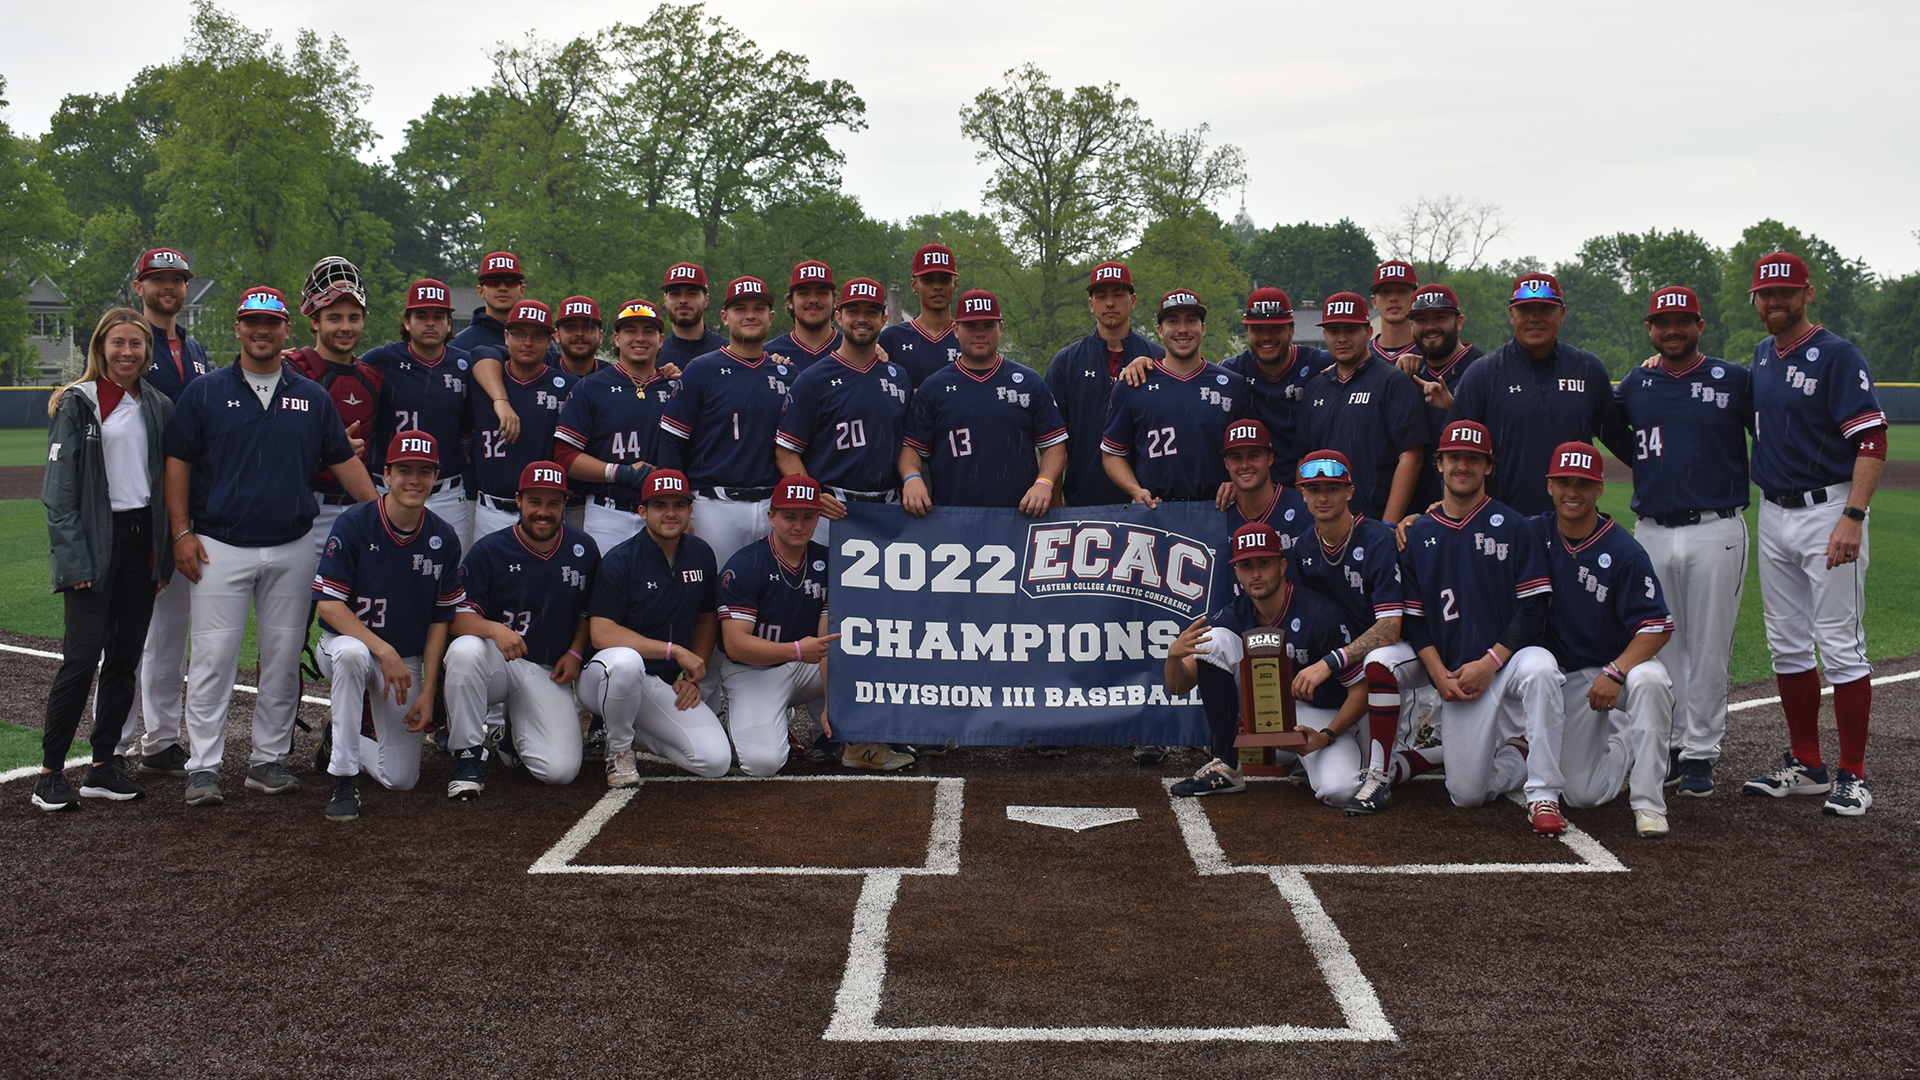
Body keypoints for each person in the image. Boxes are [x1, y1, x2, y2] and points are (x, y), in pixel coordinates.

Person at [165, 286, 376, 807]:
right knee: (214, 658)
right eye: (252, 322)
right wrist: (180, 532)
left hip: (292, 544)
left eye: (272, 323)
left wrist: (379, 515)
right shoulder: (206, 391)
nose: (262, 331)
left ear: (287, 330)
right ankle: (204, 765)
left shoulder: (310, 394)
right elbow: (178, 463)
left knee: (282, 659)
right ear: (237, 327)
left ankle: (268, 761)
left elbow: (343, 461)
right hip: (219, 544)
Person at [1738, 252, 1887, 817]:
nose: (1776, 303)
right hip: (1774, 513)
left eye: (1787, 293)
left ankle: (1853, 774)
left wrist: (1854, 514)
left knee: (1842, 646)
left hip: (1829, 510)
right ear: (1755, 298)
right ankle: (1807, 763)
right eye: (1766, 294)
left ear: (1807, 293)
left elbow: (1871, 441)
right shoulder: (1762, 354)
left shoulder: (1838, 354)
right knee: (1787, 642)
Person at [1392, 420, 1567, 835]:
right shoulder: (1420, 534)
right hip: (1458, 673)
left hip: (1511, 659)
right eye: (1455, 458)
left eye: (1474, 459)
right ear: (1440, 464)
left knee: (1543, 669)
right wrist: (1437, 674)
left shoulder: (1514, 526)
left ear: (1489, 466)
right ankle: (1518, 757)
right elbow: (1415, 620)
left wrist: (1491, 661)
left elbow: (1533, 608)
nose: (1463, 466)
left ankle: (1544, 794)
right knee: (1467, 794)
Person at [33, 310, 175, 810]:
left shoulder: (157, 404)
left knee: (125, 658)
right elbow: (60, 494)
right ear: (101, 346)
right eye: (118, 343)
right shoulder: (79, 402)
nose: (127, 352)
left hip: (141, 544)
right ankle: (50, 772)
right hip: (96, 543)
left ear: (147, 351)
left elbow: (162, 486)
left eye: (136, 344)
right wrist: (75, 561)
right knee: (81, 655)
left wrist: (162, 554)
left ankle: (102, 765)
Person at [1613, 286, 1750, 798]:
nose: (1672, 330)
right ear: (1650, 328)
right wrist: (1647, 463)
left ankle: (1701, 753)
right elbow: (1612, 426)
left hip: (1716, 525)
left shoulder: (1732, 379)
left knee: (1710, 644)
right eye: (1662, 322)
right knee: (1658, 640)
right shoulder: (1638, 381)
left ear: (1699, 325)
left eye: (1682, 321)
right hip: (1651, 528)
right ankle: (1668, 744)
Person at [311, 432, 463, 821]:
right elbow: (328, 607)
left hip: (403, 661)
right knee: (351, 654)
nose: (414, 480)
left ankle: (341, 737)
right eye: (405, 471)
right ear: (386, 474)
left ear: (435, 477)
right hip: (346, 647)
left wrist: (429, 691)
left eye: (424, 472)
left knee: (401, 779)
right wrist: (385, 650)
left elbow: (439, 619)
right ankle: (344, 778)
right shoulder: (355, 524)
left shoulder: (443, 537)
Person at [1162, 523, 1366, 802]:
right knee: (1213, 640)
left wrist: (1327, 735)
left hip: (1323, 717)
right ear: (1237, 573)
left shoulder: (1321, 614)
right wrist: (1173, 657)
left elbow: (1361, 691)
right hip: (1266, 725)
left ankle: (1318, 759)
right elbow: (1177, 686)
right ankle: (1226, 764)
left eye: (1264, 563)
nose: (1256, 573)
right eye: (1246, 565)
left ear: (1283, 566)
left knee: (1339, 791)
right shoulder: (1235, 614)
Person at [1533, 442, 1675, 838]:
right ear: (1549, 486)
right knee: (1582, 795)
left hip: (1623, 666)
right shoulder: (1534, 532)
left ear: (1600, 489)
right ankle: (1624, 738)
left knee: (1652, 682)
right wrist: (1417, 520)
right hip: (1575, 673)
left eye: (1583, 483)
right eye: (1563, 482)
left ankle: (1649, 804)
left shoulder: (1624, 551)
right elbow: (1476, 528)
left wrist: (1616, 671)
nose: (1572, 492)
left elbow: (1657, 625)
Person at [443, 461, 597, 799]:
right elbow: (455, 617)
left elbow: (590, 611)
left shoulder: (583, 549)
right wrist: (493, 629)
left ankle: (513, 734)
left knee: (560, 771)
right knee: (465, 652)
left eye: (553, 503)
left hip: (545, 669)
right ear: (518, 501)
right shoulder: (491, 549)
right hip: (497, 660)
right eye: (535, 502)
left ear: (563, 505)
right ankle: (468, 755)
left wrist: (575, 651)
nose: (543, 512)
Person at [576, 470, 724, 786]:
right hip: (605, 678)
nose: (671, 513)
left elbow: (707, 616)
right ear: (642, 511)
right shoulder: (620, 560)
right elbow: (601, 633)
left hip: (663, 684)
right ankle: (618, 750)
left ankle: (633, 726)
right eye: (660, 506)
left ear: (690, 510)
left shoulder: (701, 553)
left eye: (679, 505)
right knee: (628, 663)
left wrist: (691, 677)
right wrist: (673, 650)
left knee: (715, 761)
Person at [124, 248, 211, 777]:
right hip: (136, 507)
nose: (169, 287)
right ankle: (112, 738)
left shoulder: (195, 349)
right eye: (158, 279)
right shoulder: (128, 344)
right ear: (139, 286)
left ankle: (159, 740)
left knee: (170, 632)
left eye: (177, 279)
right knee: (127, 631)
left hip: (184, 508)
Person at [1285, 450, 1411, 816]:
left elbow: (1390, 627)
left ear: (1349, 491)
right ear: (1303, 494)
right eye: (1314, 489)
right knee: (1282, 747)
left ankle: (1429, 756)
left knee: (1380, 764)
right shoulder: (1304, 547)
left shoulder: (1377, 540)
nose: (1323, 497)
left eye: (1333, 488)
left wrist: (1330, 661)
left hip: (1387, 662)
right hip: (1340, 672)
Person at [1443, 272, 1631, 516]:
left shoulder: (1587, 369)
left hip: (1571, 522)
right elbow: (1453, 453)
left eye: (1545, 308)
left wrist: (1666, 471)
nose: (1535, 318)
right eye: (1525, 309)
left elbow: (1615, 436)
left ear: (1562, 313)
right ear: (1512, 314)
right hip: (1503, 522)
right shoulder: (1483, 373)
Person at [659, 277, 794, 568]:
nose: (749, 315)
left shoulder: (787, 375)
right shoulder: (701, 369)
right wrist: (676, 506)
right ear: (724, 316)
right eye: (739, 308)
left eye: (759, 309)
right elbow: (671, 442)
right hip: (714, 505)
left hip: (775, 504)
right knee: (710, 595)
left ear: (771, 318)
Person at [900, 289, 1067, 517]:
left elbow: (1054, 445)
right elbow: (911, 447)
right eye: (971, 326)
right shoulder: (933, 387)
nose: (979, 333)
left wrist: (1044, 482)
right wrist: (912, 478)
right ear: (956, 330)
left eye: (987, 326)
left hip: (1020, 517)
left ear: (1000, 327)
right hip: (951, 518)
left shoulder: (1028, 382)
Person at [775, 278, 911, 546]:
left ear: (884, 318)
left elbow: (909, 443)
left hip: (890, 508)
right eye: (853, 311)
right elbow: (786, 451)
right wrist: (810, 494)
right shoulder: (812, 379)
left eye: (871, 312)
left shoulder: (899, 377)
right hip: (832, 510)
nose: (862, 319)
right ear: (838, 316)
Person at [1101, 289, 1251, 505]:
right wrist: (1135, 490)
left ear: (1203, 328)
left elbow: (1252, 453)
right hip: (1157, 513)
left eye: (1191, 320)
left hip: (1219, 512)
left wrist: (1237, 481)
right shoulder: (1133, 383)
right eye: (1173, 321)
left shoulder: (1234, 386)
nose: (1182, 329)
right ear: (1160, 331)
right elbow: (1112, 453)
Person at [554, 298, 677, 554]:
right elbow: (564, 457)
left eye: (649, 331)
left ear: (661, 339)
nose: (640, 338)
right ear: (616, 339)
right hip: (607, 513)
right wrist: (619, 472)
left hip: (667, 512)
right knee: (605, 591)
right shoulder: (590, 387)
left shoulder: (679, 388)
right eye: (631, 330)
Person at [363, 279, 476, 552]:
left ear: (450, 324)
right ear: (406, 322)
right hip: (389, 488)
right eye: (421, 316)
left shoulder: (465, 364)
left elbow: (471, 422)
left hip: (447, 493)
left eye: (439, 316)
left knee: (448, 578)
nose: (430, 323)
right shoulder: (380, 360)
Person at [1299, 292, 1428, 522]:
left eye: (1350, 330)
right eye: (1333, 331)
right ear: (1324, 334)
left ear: (1368, 332)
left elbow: (1411, 457)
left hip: (1375, 521)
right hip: (1325, 526)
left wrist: (1388, 525)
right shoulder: (1315, 388)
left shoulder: (1393, 382)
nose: (1342, 338)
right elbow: (1304, 458)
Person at [1045, 261, 1164, 506]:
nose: (1110, 302)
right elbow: (1051, 441)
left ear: (1133, 301)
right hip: (1084, 499)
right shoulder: (1066, 361)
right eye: (1101, 296)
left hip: (1149, 501)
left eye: (1118, 295)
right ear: (1091, 304)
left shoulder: (1159, 360)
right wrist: (1056, 505)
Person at [287, 257, 379, 555]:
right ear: (315, 321)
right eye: (335, 317)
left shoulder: (373, 378)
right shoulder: (291, 372)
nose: (345, 327)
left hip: (359, 508)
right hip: (308, 508)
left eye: (354, 317)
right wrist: (332, 455)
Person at [469, 301, 579, 541]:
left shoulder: (568, 387)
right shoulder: (482, 379)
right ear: (506, 337)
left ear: (551, 340)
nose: (527, 343)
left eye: (538, 336)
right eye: (519, 334)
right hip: (490, 510)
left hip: (545, 514)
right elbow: (480, 352)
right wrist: (500, 400)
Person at [1220, 287, 1331, 486]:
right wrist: (1146, 364)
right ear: (1247, 332)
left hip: (1314, 487)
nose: (1266, 337)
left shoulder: (1320, 364)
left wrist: (1404, 359)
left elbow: (1369, 364)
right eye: (1257, 329)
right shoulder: (1232, 371)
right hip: (1253, 489)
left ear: (1292, 329)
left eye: (1275, 328)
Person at [1397, 284, 1485, 513]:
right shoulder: (1406, 373)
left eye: (1440, 317)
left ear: (1459, 321)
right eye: (1421, 319)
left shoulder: (1484, 370)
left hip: (1472, 512)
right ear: (1411, 326)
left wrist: (1455, 408)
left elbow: (1499, 443)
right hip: (1412, 515)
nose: (1430, 326)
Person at [878, 243, 961, 388]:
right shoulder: (892, 338)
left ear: (955, 284)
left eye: (944, 279)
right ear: (914, 285)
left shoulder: (967, 338)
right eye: (928, 280)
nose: (937, 286)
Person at [1218, 420, 1310, 546]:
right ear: (1226, 464)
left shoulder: (1305, 507)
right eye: (1236, 458)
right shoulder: (1220, 518)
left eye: (1253, 456)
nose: (1245, 465)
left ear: (1270, 459)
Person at [765, 261, 842, 371]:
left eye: (822, 293)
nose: (814, 300)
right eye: (804, 293)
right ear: (790, 301)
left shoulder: (855, 350)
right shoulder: (769, 354)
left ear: (834, 301)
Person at [658, 262, 730, 372]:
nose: (683, 300)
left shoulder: (727, 351)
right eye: (675, 293)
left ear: (706, 300)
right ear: (665, 300)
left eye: (692, 293)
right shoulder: (654, 355)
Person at [1369, 260, 1420, 363]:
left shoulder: (1432, 354)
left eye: (1402, 291)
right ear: (1374, 302)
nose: (1393, 298)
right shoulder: (1360, 356)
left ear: (1416, 298)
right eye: (1385, 292)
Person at [553, 296, 610, 379]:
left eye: (588, 327)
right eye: (570, 327)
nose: (579, 333)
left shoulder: (613, 378)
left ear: (600, 336)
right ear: (557, 335)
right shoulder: (538, 372)